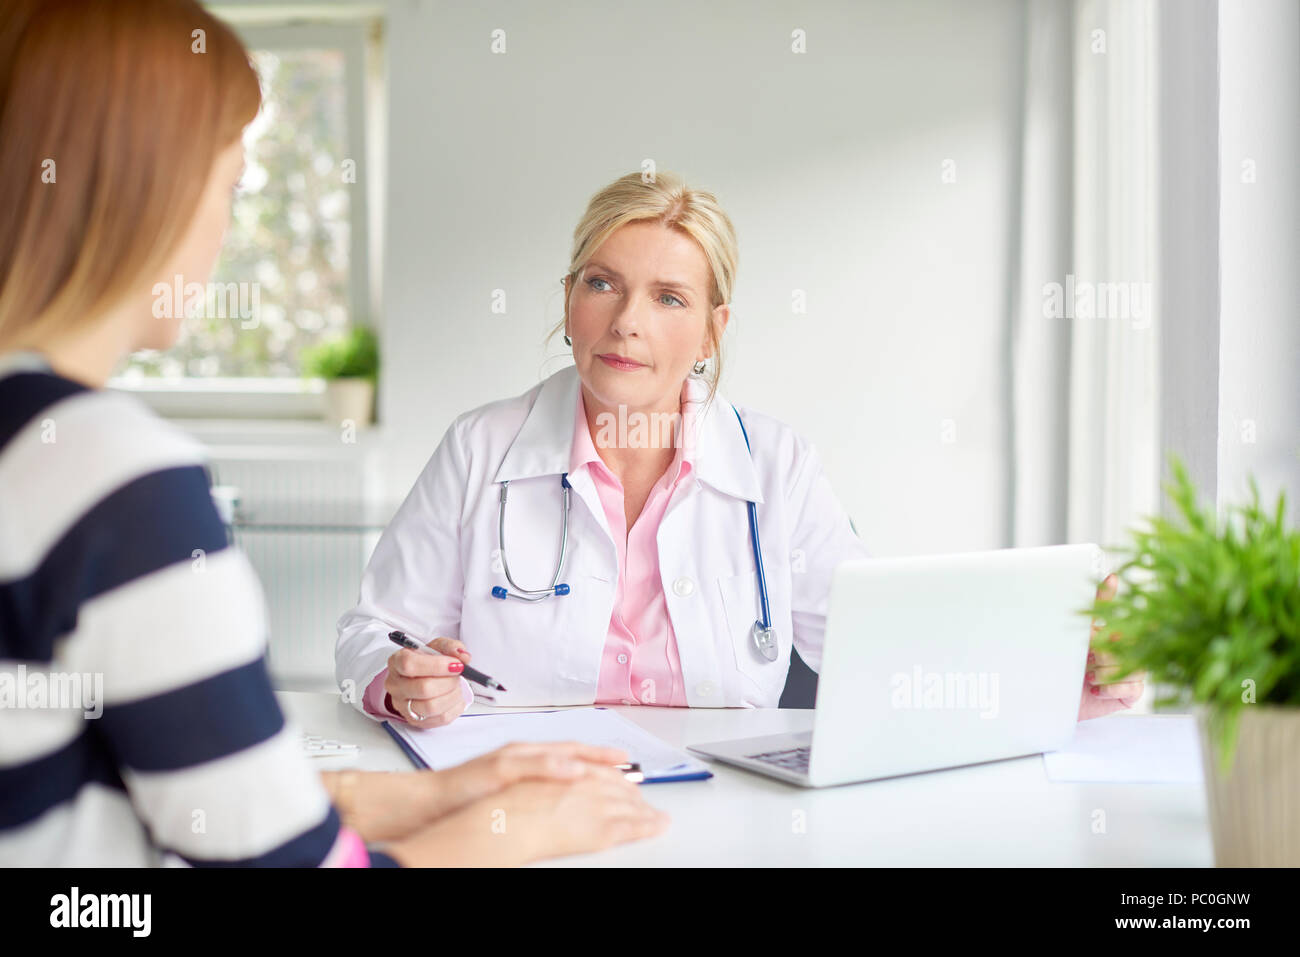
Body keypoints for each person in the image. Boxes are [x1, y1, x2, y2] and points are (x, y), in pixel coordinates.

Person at [0, 0, 666, 867]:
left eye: (668, 298)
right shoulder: (113, 482)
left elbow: (181, 785)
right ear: (145, 189)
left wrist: (438, 791)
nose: (226, 228)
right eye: (230, 185)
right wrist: (514, 834)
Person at [335, 171, 1147, 730]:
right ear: (570, 298)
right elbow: (372, 631)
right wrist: (398, 681)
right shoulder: (483, 448)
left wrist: (1062, 673)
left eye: (669, 297)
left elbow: (886, 654)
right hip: (524, 808)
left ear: (712, 328)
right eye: (601, 282)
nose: (626, 321)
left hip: (724, 816)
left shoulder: (775, 466)